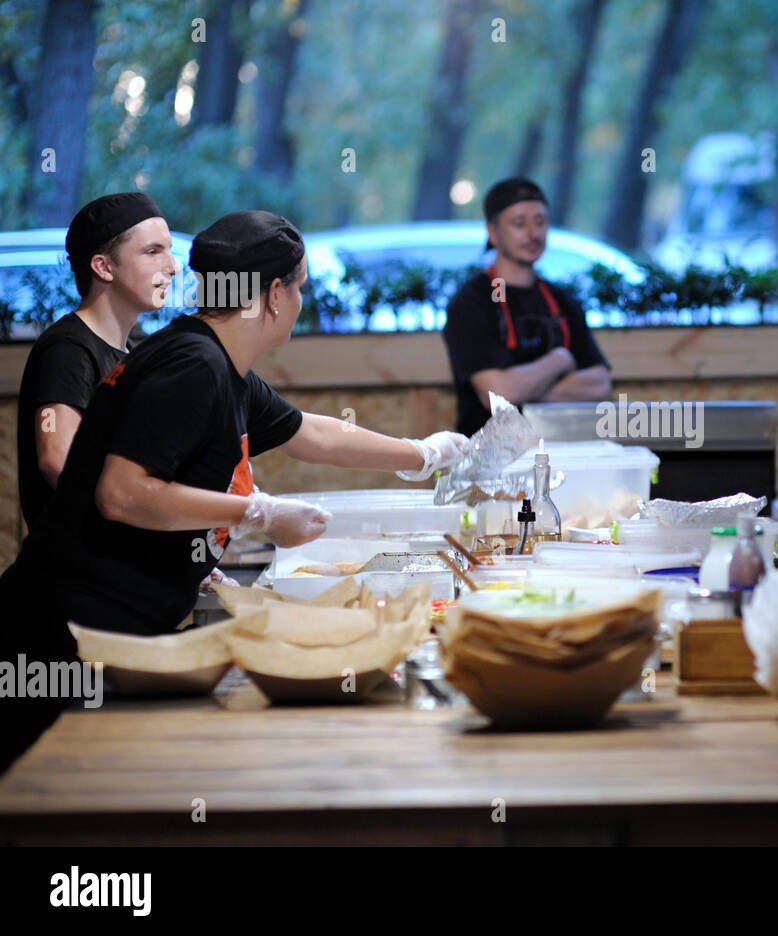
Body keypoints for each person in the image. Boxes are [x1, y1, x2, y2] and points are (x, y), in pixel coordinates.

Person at [0, 210, 468, 768]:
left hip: (106, 626)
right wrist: (260, 513)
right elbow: (122, 493)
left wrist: (425, 454)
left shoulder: (217, 360)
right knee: (38, 803)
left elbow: (314, 434)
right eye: (300, 289)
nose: (300, 302)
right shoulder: (194, 365)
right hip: (55, 632)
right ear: (273, 295)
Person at [17, 192, 178, 529]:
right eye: (153, 252)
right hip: (75, 576)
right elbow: (55, 457)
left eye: (169, 251)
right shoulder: (67, 349)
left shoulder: (129, 352)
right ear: (103, 266)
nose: (172, 267)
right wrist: (143, 526)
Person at [442, 177, 611, 436]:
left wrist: (521, 391)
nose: (533, 234)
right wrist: (559, 360)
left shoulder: (563, 300)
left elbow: (600, 386)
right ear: (492, 232)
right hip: (489, 461)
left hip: (561, 450)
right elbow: (497, 396)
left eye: (540, 222)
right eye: (519, 223)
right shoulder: (470, 302)